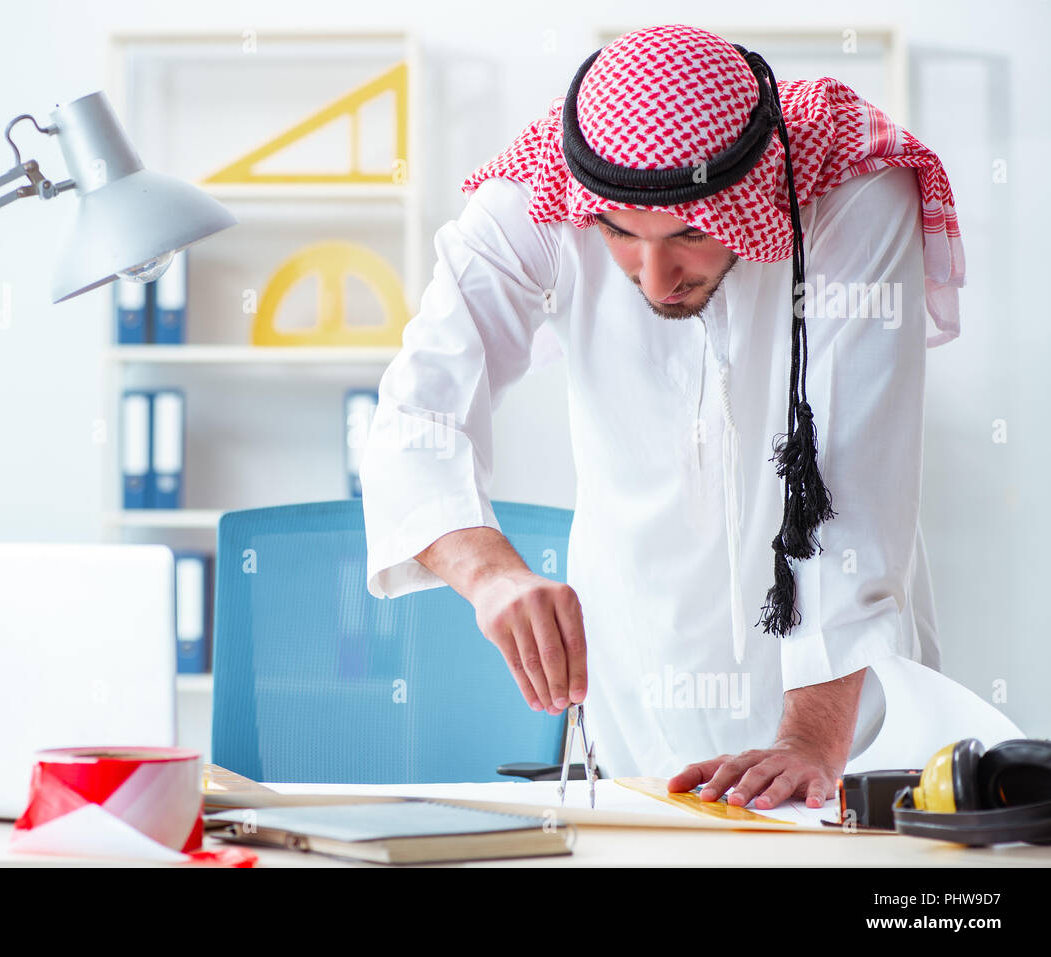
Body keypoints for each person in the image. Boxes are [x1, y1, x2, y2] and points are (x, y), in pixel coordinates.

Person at [360, 24, 965, 811]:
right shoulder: (535, 197)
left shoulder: (851, 194)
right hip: (639, 689)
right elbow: (416, 413)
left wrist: (810, 738)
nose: (655, 277)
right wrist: (491, 573)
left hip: (848, 717)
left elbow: (852, 483)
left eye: (689, 232)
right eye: (618, 234)